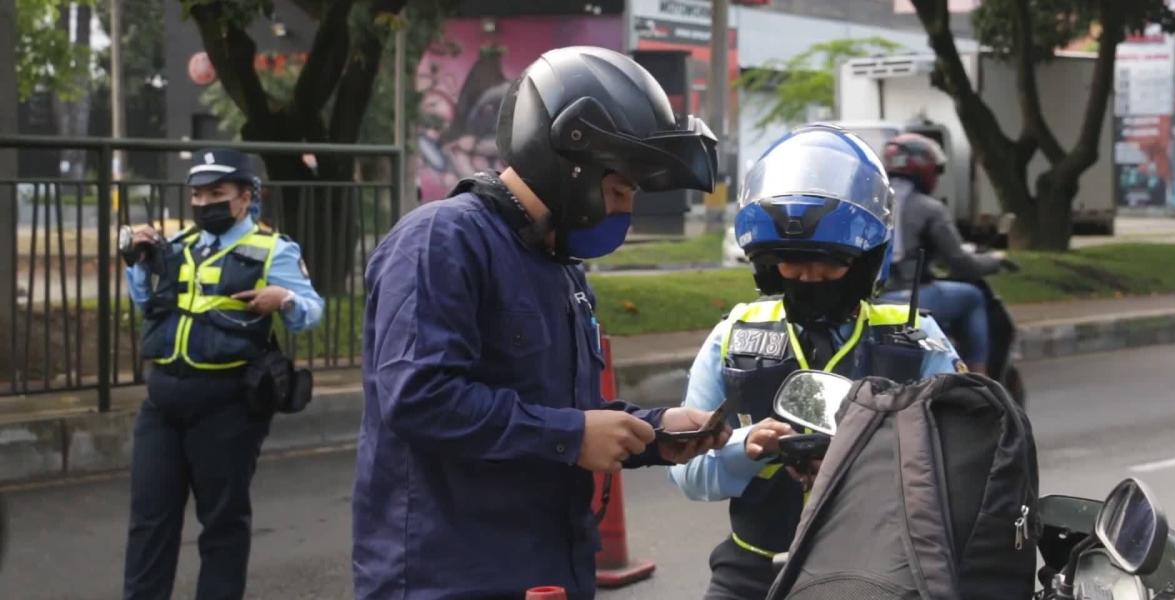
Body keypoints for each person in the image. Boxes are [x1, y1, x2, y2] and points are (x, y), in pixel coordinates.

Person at [353, 46, 728, 600]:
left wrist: (652, 431)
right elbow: (419, 398)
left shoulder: (559, 267)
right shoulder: (441, 240)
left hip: (550, 569)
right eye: (619, 188)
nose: (624, 209)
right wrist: (572, 436)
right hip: (450, 578)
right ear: (567, 163)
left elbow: (552, 410)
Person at [669, 124, 964, 600]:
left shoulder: (915, 340)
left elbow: (960, 459)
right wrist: (748, 447)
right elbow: (688, 474)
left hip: (882, 573)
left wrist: (868, 456)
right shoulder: (734, 337)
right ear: (768, 264)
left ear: (867, 259)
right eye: (792, 262)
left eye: (830, 262)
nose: (810, 277)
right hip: (753, 573)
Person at [121, 148, 324, 600]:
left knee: (222, 525)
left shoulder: (273, 249)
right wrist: (137, 263)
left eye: (217, 192)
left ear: (246, 196)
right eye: (197, 194)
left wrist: (284, 300)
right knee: (149, 522)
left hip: (227, 406)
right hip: (162, 404)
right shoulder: (179, 246)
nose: (204, 202)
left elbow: (312, 310)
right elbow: (148, 305)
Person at [879, 132, 1016, 373]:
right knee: (973, 296)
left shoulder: (871, 202)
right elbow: (961, 264)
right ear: (924, 167)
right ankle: (978, 378)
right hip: (912, 297)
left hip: (874, 301)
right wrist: (996, 261)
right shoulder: (930, 208)